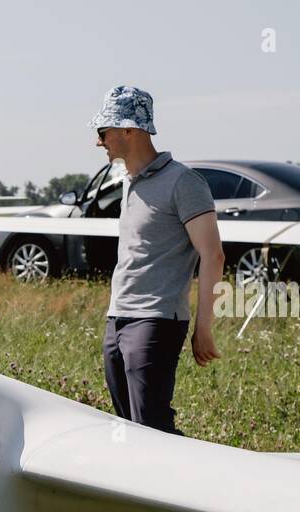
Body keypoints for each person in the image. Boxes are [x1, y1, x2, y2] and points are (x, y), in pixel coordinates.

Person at [91, 86, 223, 435]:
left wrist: (204, 328)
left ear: (129, 130)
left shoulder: (184, 182)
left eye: (103, 132)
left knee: (153, 431)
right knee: (127, 428)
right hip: (117, 318)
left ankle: (200, 485)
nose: (98, 141)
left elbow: (213, 254)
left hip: (156, 320)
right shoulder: (130, 183)